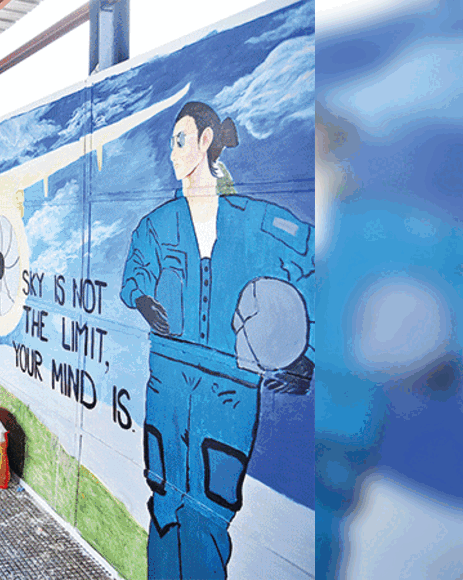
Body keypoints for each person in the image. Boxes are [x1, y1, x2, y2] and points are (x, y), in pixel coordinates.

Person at [120, 101, 314, 580]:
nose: (172, 152)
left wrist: (304, 353)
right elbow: (134, 272)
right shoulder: (158, 224)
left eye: (180, 140)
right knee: (164, 501)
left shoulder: (257, 221)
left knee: (209, 512)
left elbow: (317, 262)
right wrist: (141, 299)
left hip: (229, 393)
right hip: (167, 382)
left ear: (206, 141)